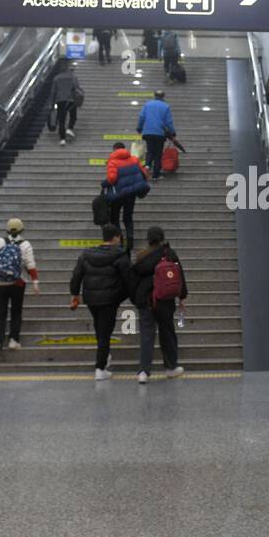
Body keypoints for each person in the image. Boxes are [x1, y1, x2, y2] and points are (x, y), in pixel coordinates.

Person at [69, 224, 134, 381]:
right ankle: (100, 368)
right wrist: (131, 296)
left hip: (91, 299)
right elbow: (129, 279)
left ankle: (103, 358)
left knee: (100, 329)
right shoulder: (120, 256)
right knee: (105, 332)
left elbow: (76, 275)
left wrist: (75, 294)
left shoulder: (86, 254)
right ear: (116, 237)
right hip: (110, 300)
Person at [130, 226, 188, 384]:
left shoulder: (141, 257)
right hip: (165, 300)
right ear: (162, 238)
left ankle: (143, 372)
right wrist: (182, 296)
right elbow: (179, 275)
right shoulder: (169, 253)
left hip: (146, 301)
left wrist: (136, 298)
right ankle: (171, 368)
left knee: (146, 336)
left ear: (148, 239)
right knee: (167, 333)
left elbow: (133, 279)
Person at [0, 217, 40, 358]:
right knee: (16, 311)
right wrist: (35, 281)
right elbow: (30, 265)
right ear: (22, 230)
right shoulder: (25, 244)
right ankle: (13, 340)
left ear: (7, 230)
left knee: (0, 313)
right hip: (17, 283)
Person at [103, 141, 150, 253]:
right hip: (131, 194)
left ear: (114, 150)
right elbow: (142, 173)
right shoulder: (134, 159)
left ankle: (120, 241)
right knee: (128, 217)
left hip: (118, 195)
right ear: (125, 149)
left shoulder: (112, 162)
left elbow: (112, 179)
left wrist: (105, 183)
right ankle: (130, 239)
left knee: (115, 218)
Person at [137, 89, 177, 180]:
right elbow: (169, 122)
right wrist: (173, 132)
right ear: (163, 96)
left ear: (154, 95)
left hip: (148, 132)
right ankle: (156, 174)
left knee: (150, 151)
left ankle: (147, 166)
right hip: (160, 133)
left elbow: (142, 116)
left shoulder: (147, 104)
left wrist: (139, 128)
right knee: (158, 154)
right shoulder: (166, 106)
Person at [51, 59, 82, 145]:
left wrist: (52, 103)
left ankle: (62, 139)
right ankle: (69, 128)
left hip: (60, 101)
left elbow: (53, 92)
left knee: (61, 119)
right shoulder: (72, 77)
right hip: (71, 100)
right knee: (73, 116)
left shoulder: (56, 78)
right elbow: (76, 88)